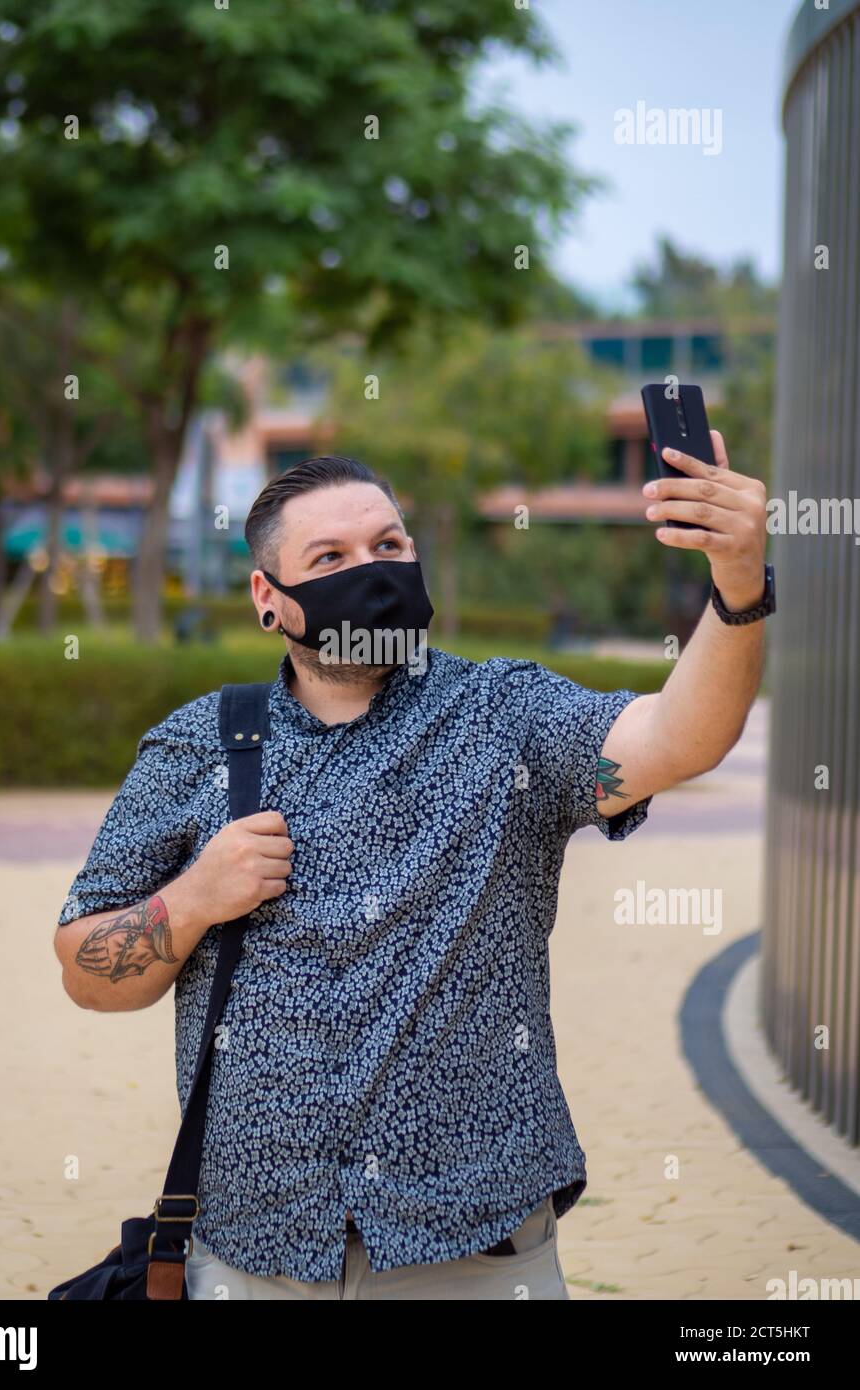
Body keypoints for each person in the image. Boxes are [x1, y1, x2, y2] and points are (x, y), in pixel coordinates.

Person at [54, 445, 771, 1300]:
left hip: (474, 1249)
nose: (372, 572)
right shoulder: (197, 745)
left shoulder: (505, 717)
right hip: (256, 1252)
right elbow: (87, 973)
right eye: (330, 559)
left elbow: (678, 739)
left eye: (389, 547)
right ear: (267, 598)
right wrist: (195, 898)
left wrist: (737, 582)